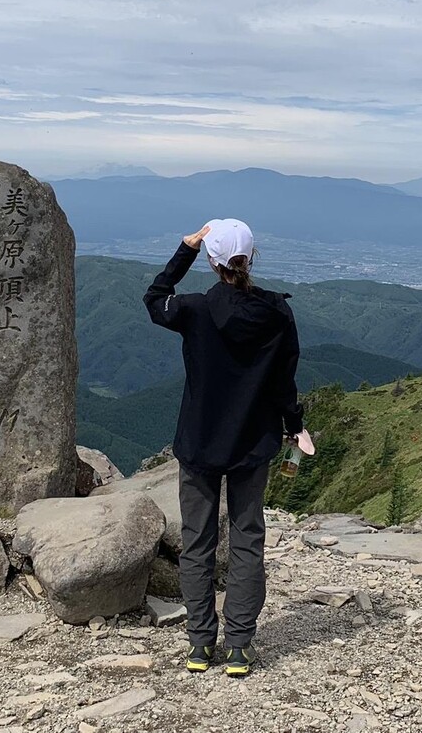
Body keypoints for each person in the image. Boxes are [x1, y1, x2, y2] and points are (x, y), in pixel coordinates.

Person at [144, 219, 305, 677]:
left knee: (197, 543)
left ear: (213, 262)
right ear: (251, 259)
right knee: (247, 540)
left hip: (199, 444)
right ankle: (238, 646)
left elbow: (155, 298)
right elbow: (284, 381)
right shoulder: (276, 313)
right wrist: (295, 425)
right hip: (253, 443)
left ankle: (199, 646)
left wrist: (184, 249)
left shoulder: (193, 309)